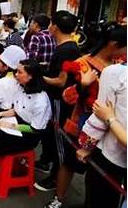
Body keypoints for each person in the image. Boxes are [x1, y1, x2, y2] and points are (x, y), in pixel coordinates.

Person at [44, 24, 126, 208]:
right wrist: (82, 85)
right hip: (82, 125)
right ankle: (58, 199)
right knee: (70, 164)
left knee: (99, 178)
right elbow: (67, 96)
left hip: (111, 132)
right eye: (125, 47)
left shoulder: (118, 67)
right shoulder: (83, 63)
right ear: (114, 44)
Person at [0, 59, 52, 175]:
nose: (15, 74)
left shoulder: (40, 101)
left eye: (20, 72)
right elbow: (17, 110)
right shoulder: (22, 88)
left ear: (30, 76)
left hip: (27, 136)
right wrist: (0, 114)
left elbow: (35, 129)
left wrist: (11, 126)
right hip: (16, 123)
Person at [35, 11, 81, 192]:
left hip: (60, 101)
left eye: (51, 23)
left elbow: (61, 81)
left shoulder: (67, 49)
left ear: (54, 26)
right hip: (55, 99)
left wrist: (40, 76)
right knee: (50, 137)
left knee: (59, 140)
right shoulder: (65, 46)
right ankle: (47, 162)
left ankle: (56, 178)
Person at [76, 63, 126, 208]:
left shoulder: (116, 73)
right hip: (115, 153)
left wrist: (86, 147)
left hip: (111, 153)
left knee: (100, 197)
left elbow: (100, 116)